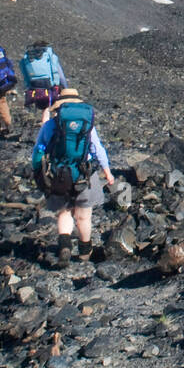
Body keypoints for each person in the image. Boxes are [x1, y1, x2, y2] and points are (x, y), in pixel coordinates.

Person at [31, 88, 115, 268]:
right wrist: (107, 171)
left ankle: (65, 245)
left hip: (58, 174)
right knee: (84, 216)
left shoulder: (50, 125)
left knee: (64, 212)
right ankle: (85, 254)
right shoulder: (86, 124)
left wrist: (38, 172)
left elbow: (38, 150)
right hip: (84, 174)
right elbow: (97, 149)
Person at [20, 40, 68, 125]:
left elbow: (25, 75)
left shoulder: (27, 57)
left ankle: (44, 124)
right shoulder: (50, 55)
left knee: (45, 106)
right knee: (56, 103)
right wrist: (64, 87)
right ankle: (56, 123)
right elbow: (59, 74)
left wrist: (28, 87)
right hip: (50, 85)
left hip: (34, 86)